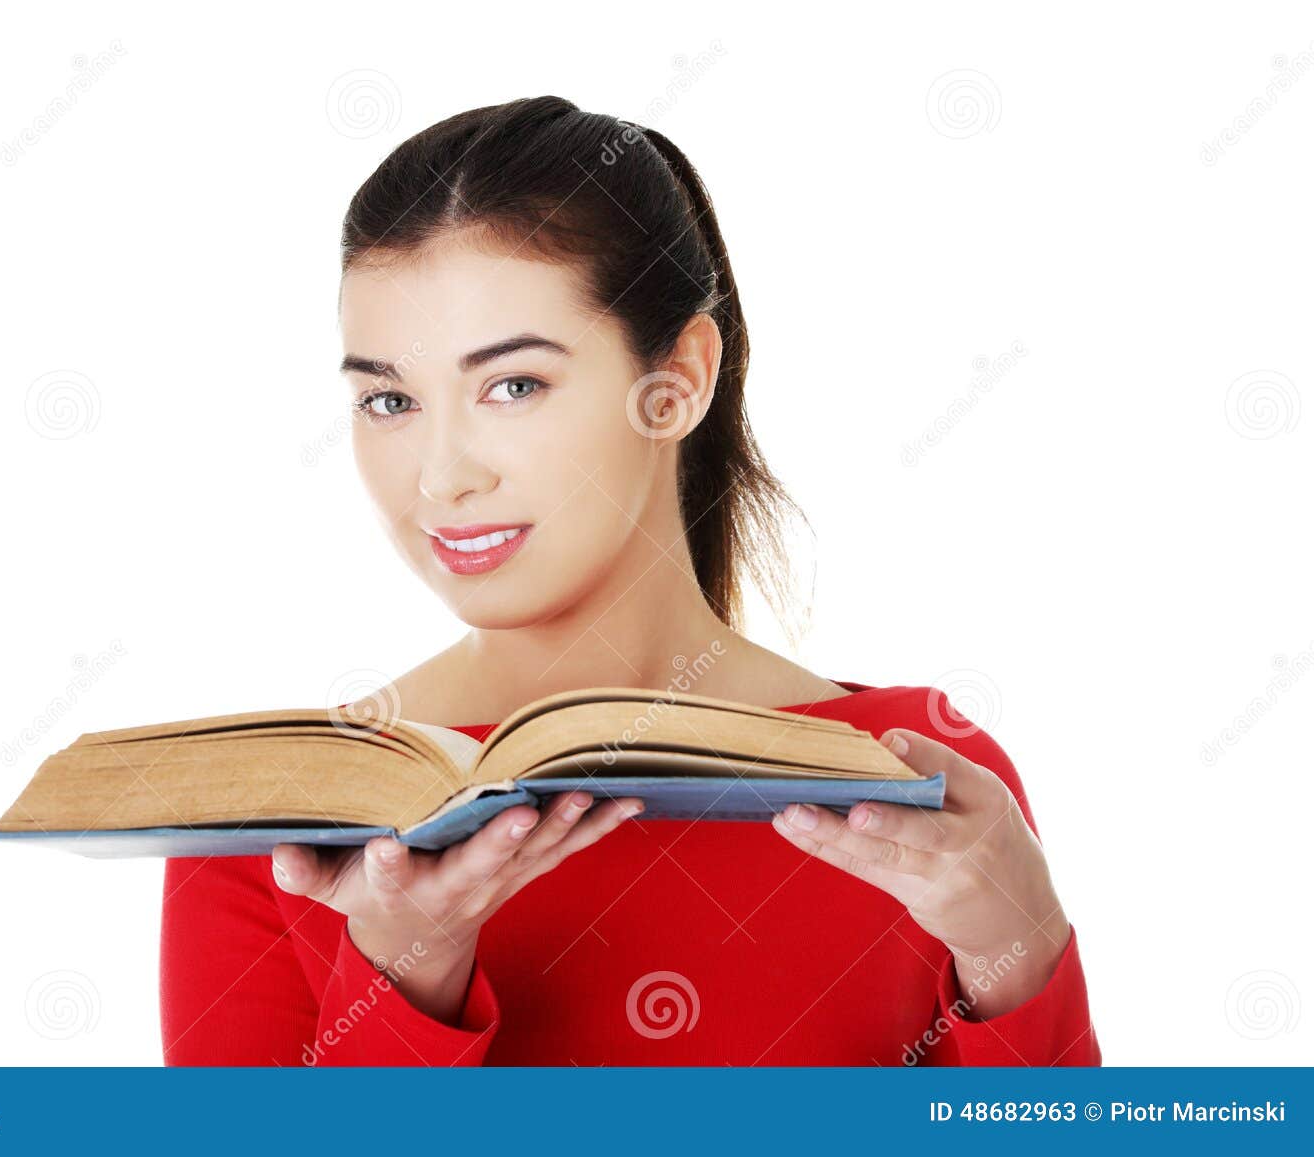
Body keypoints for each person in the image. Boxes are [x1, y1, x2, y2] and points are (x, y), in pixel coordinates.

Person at [159, 95, 1099, 1066]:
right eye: (388, 399)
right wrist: (403, 975)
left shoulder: (923, 789)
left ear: (678, 378)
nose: (439, 475)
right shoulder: (274, 821)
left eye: (512, 385)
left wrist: (1015, 954)